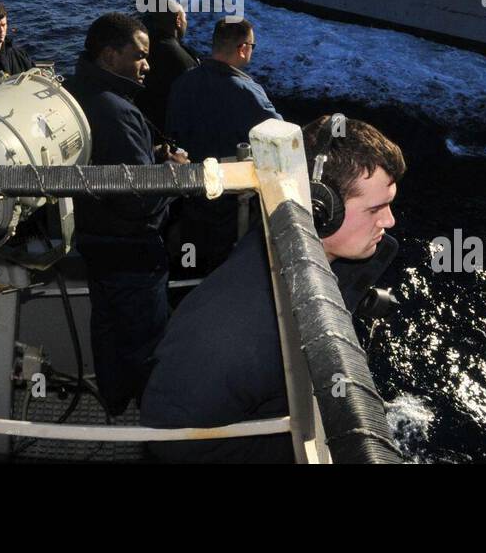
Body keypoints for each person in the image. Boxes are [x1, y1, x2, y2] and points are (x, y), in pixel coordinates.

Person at [139, 115, 403, 463]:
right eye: (376, 208)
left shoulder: (308, 250)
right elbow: (168, 438)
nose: (389, 220)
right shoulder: (231, 337)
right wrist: (295, 446)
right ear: (322, 211)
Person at [64, 13, 188, 415]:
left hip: (94, 240)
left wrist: (151, 157)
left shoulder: (76, 90)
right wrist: (172, 175)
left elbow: (107, 166)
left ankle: (115, 405)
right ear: (109, 55)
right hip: (132, 248)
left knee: (108, 329)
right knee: (146, 341)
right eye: (139, 56)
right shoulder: (117, 111)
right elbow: (138, 200)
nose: (147, 65)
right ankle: (156, 426)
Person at [165, 17, 280, 272]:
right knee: (224, 266)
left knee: (192, 259)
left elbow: (172, 132)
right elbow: (280, 140)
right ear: (243, 48)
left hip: (190, 195)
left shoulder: (183, 82)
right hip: (228, 204)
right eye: (253, 45)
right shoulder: (247, 93)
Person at [135, 0, 198, 133]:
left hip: (142, 125)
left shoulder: (139, 52)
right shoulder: (183, 59)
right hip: (169, 131)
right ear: (178, 21)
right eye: (185, 17)